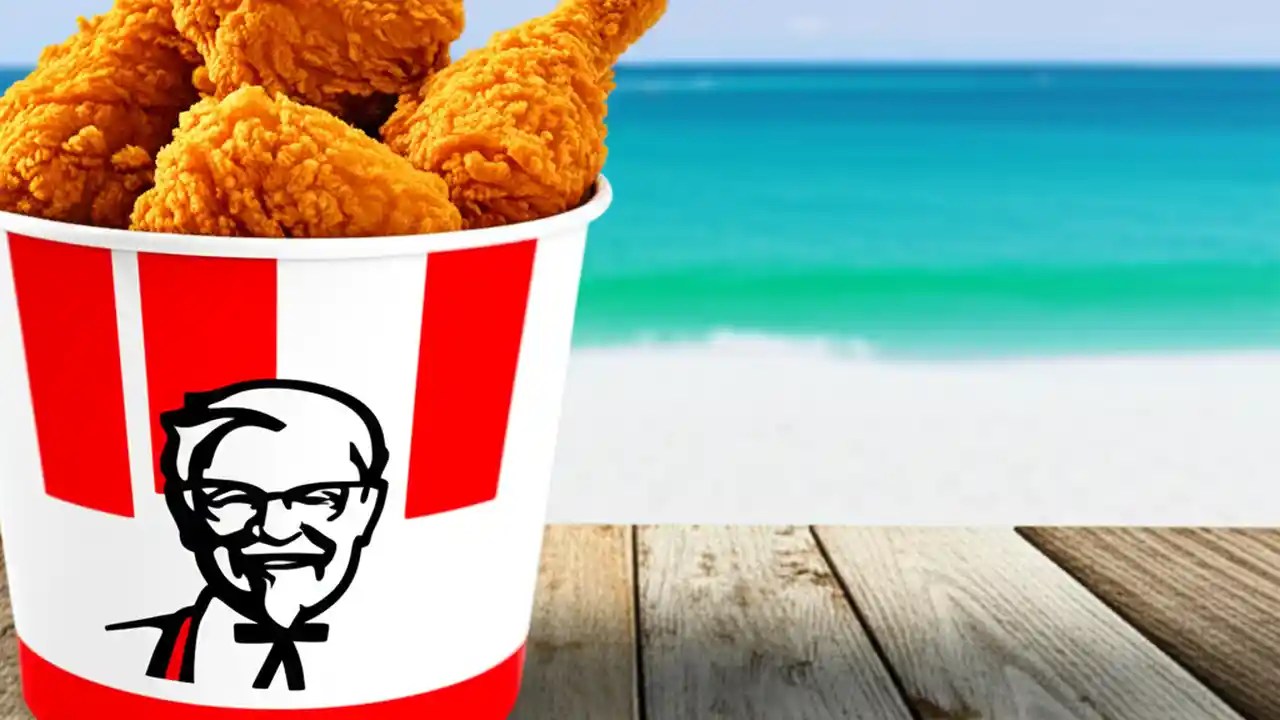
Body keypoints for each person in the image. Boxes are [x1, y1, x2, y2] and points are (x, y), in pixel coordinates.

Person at [106, 379, 389, 692]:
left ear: (368, 509)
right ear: (184, 512)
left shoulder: (423, 661)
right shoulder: (113, 654)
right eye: (232, 497)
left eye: (319, 497)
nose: (277, 531)